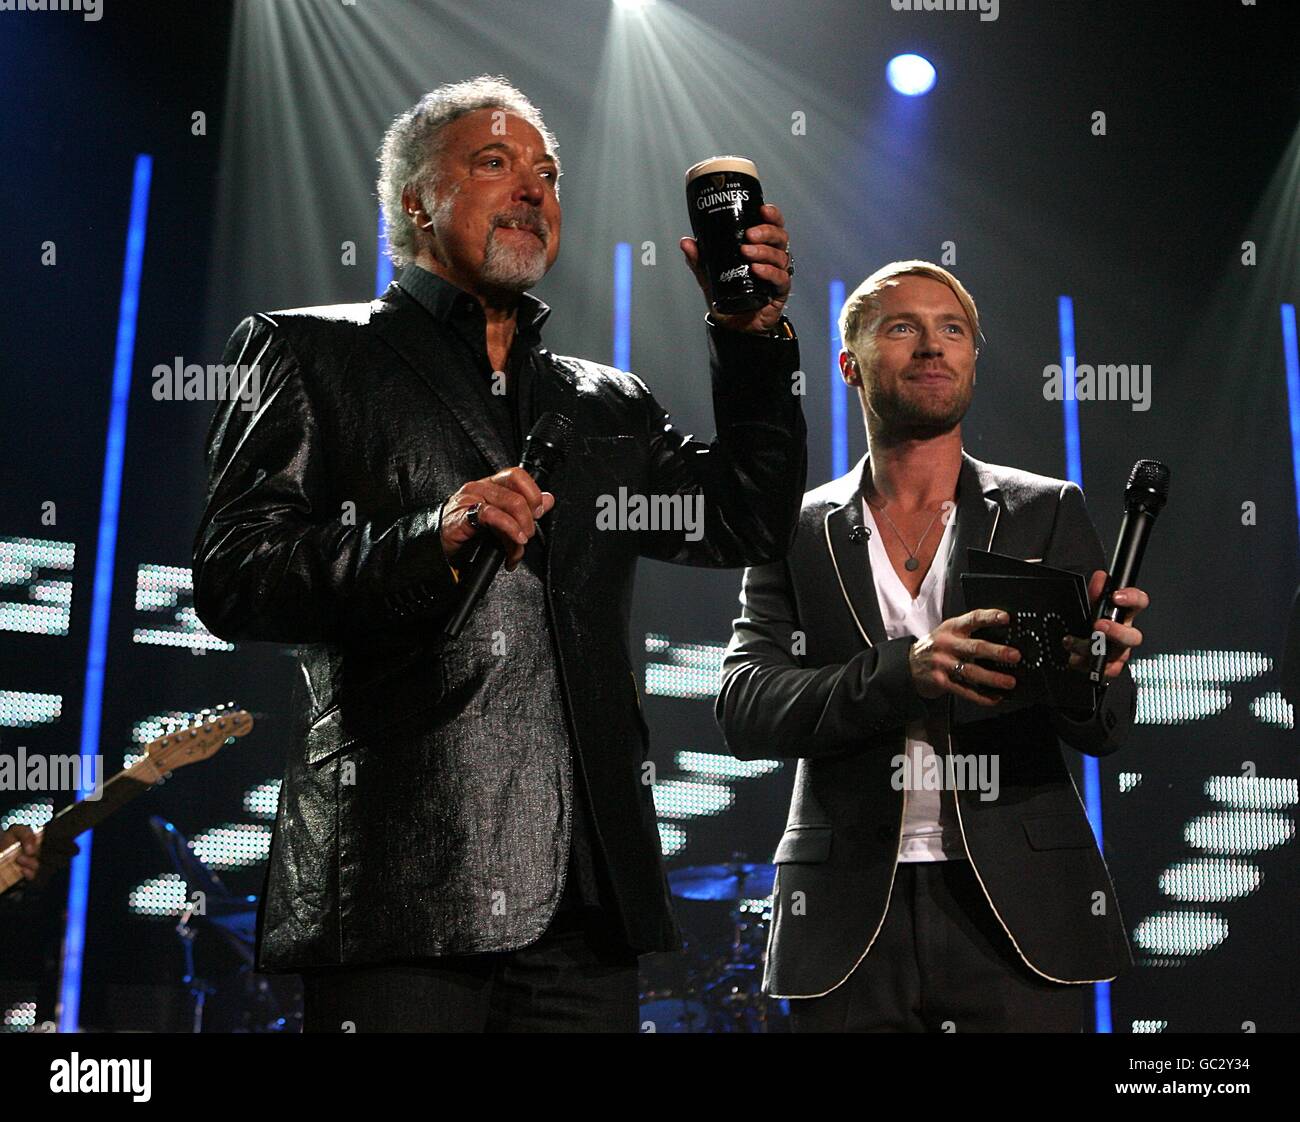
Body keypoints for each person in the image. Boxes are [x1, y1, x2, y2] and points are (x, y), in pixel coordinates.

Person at [192, 75, 805, 1032]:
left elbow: (744, 522)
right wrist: (430, 536)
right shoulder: (310, 352)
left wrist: (751, 335)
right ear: (415, 201)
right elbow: (236, 576)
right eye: (495, 163)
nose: (533, 189)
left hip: (583, 905)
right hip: (399, 892)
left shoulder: (608, 400)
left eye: (548, 174)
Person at [716, 260, 1149, 1032]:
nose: (932, 347)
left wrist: (1099, 672)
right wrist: (903, 675)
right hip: (848, 914)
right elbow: (745, 707)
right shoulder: (795, 526)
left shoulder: (1046, 511)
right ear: (850, 364)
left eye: (952, 330)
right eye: (903, 328)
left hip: (1018, 915)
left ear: (973, 361)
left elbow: (1103, 727)